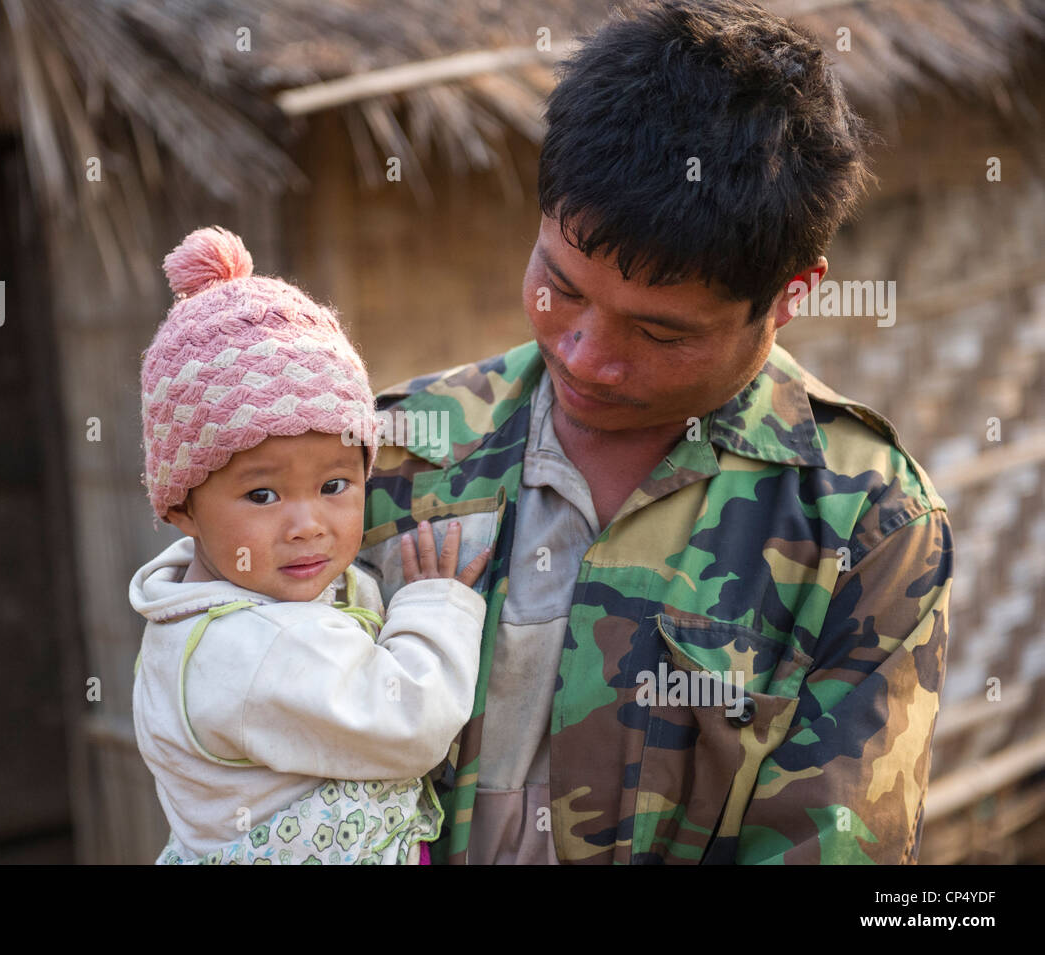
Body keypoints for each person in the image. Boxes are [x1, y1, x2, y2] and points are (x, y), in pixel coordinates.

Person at [355, 0, 953, 864]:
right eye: (559, 285)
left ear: (792, 292)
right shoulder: (389, 452)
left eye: (661, 333)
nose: (587, 356)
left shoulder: (866, 526)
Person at [130, 226, 491, 864]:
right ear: (182, 504)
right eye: (263, 496)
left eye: (333, 484)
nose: (306, 524)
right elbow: (410, 724)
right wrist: (435, 608)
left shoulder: (213, 600)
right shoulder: (247, 650)